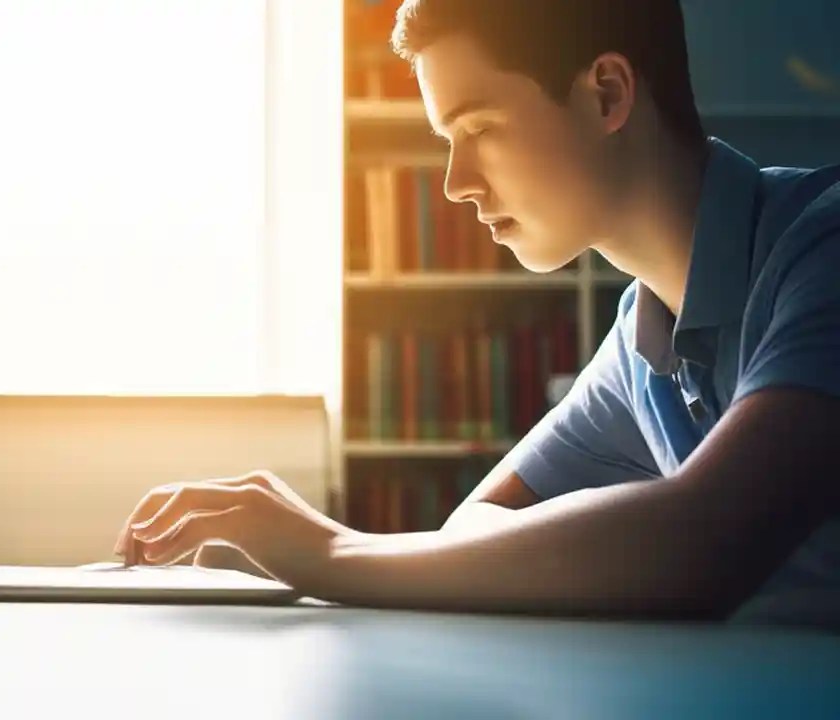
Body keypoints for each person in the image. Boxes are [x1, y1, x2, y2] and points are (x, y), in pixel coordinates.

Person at [113, 0, 840, 626]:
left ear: (607, 95)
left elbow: (706, 540)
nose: (455, 185)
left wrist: (329, 551)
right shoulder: (637, 344)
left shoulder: (824, 247)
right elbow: (477, 529)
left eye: (481, 127)